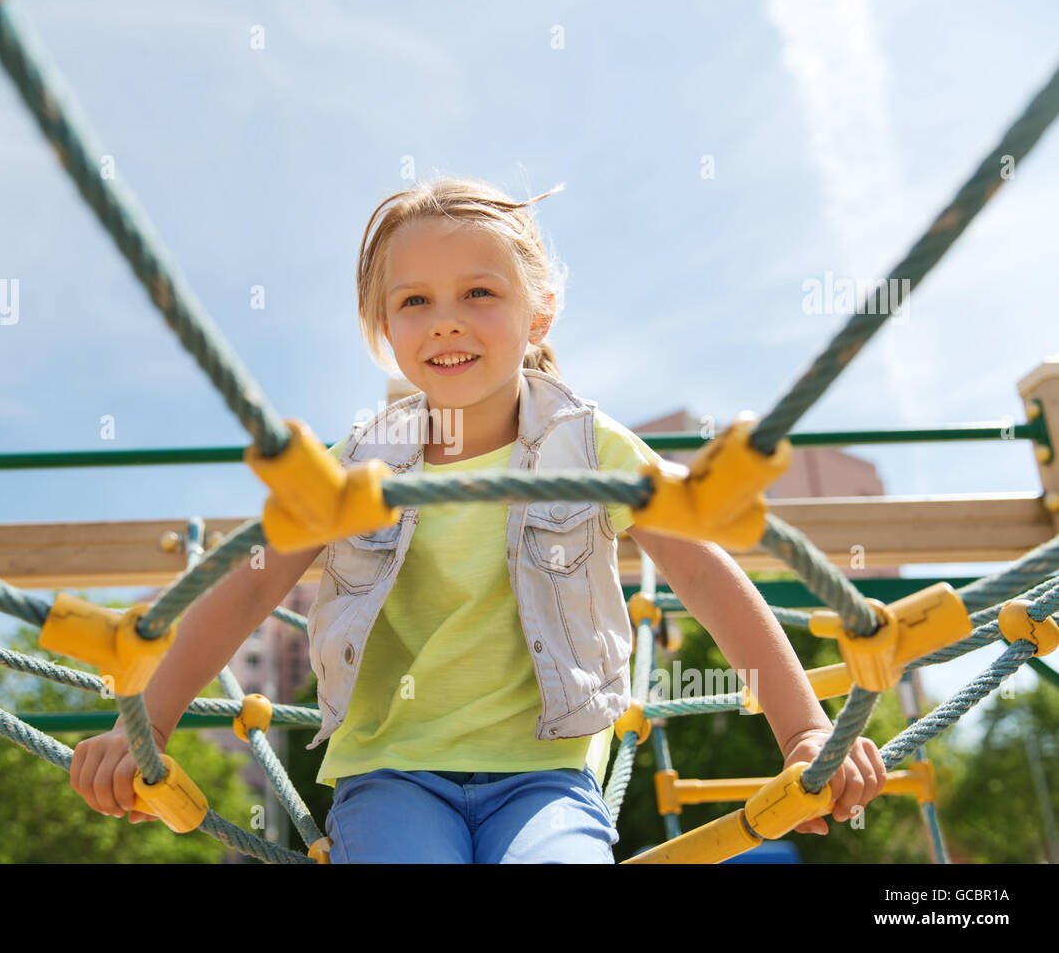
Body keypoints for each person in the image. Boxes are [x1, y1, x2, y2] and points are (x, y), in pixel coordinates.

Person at [69, 176, 887, 862]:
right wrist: (143, 728)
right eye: (415, 300)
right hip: (391, 770)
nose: (446, 319)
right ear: (386, 329)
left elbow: (707, 574)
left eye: (480, 293)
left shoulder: (591, 448)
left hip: (546, 776)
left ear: (539, 313)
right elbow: (248, 590)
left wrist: (805, 733)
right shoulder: (355, 466)